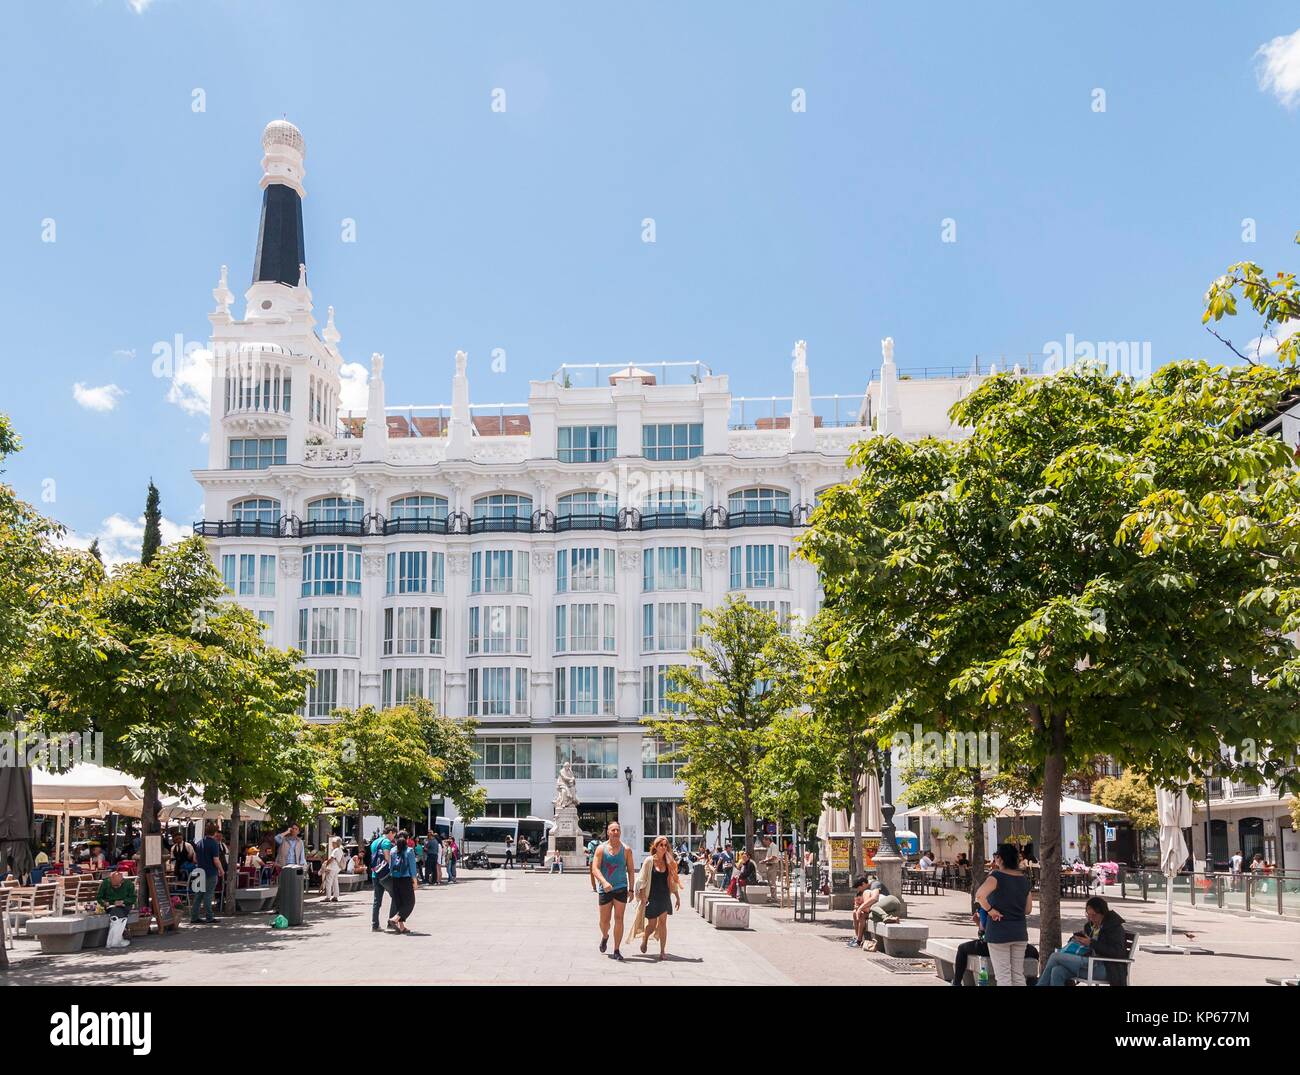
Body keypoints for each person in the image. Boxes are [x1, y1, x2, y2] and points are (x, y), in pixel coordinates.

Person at [1037, 896, 1128, 986]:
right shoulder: (1090, 926)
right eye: (1088, 915)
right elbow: (1086, 945)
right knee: (1057, 971)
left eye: (1094, 915)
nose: (1091, 918)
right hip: (1088, 962)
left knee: (1055, 956)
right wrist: (1077, 940)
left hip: (1107, 968)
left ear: (1103, 913)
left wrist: (1091, 943)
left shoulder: (1114, 927)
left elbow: (1117, 951)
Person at [975, 843, 1033, 985]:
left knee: (1003, 976)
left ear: (1000, 858)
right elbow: (1028, 910)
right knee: (1018, 975)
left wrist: (990, 910)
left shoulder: (995, 876)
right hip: (1019, 932)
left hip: (999, 931)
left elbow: (979, 896)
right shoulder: (1024, 880)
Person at [628, 835, 682, 960]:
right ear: (656, 847)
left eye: (665, 845)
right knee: (651, 925)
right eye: (661, 845)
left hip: (664, 896)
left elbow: (673, 881)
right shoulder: (649, 861)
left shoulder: (669, 862)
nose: (663, 847)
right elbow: (641, 880)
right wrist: (642, 896)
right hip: (651, 897)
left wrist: (677, 897)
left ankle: (662, 951)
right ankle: (645, 938)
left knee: (663, 923)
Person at [591, 821, 635, 961]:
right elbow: (595, 868)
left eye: (618, 830)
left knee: (619, 918)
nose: (616, 832)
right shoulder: (601, 849)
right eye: (613, 830)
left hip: (621, 887)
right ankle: (605, 936)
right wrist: (604, 882)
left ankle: (616, 949)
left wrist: (631, 889)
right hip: (605, 889)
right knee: (604, 921)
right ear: (608, 832)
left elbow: (631, 870)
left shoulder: (626, 850)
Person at [846, 875, 904, 949]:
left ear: (863, 884)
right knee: (868, 915)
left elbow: (874, 898)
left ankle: (885, 918)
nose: (858, 890)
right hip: (887, 911)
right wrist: (858, 907)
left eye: (858, 888)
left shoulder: (874, 885)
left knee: (870, 909)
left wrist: (860, 908)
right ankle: (858, 939)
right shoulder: (864, 891)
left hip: (889, 903)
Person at [191, 823, 225, 924]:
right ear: (214, 832)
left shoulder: (199, 843)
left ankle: (194, 917)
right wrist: (221, 870)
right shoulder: (214, 844)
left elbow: (194, 859)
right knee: (208, 895)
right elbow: (216, 860)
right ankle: (209, 917)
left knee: (199, 895)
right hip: (210, 871)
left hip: (200, 871)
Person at [387, 830, 419, 933]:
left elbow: (390, 866)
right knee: (410, 902)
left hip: (395, 879)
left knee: (400, 902)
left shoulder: (392, 850)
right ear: (407, 839)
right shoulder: (409, 851)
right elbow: (413, 869)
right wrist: (415, 882)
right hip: (405, 879)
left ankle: (401, 926)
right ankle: (395, 919)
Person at [370, 825, 397, 932]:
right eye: (394, 834)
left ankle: (375, 925)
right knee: (395, 896)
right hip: (385, 875)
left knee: (377, 901)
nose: (393, 837)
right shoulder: (386, 842)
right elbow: (387, 858)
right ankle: (391, 921)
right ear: (390, 832)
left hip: (375, 874)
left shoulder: (375, 842)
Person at [321, 836, 343, 902]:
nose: (332, 844)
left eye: (333, 843)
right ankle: (335, 896)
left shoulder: (335, 850)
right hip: (337, 868)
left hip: (332, 867)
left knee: (328, 882)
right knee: (335, 882)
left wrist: (326, 864)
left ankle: (328, 897)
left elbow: (331, 859)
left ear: (336, 843)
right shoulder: (340, 850)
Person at [762, 836, 780, 903]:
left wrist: (765, 861)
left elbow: (774, 857)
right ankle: (773, 897)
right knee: (770, 882)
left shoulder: (774, 846)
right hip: (770, 865)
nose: (764, 843)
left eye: (765, 841)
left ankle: (774, 897)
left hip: (773, 865)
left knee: (772, 882)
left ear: (768, 840)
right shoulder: (770, 847)